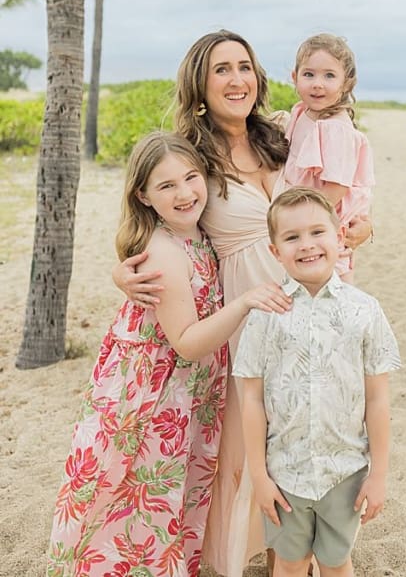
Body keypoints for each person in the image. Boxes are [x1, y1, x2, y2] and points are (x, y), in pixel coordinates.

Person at [113, 30, 373, 577]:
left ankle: (310, 544)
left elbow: (336, 204)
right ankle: (257, 553)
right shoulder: (191, 154)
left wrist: (361, 228)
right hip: (248, 303)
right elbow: (154, 214)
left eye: (244, 67)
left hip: (312, 292)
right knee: (256, 434)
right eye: (221, 70)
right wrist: (123, 269)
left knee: (312, 420)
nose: (237, 80)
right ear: (200, 86)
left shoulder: (284, 129)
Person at [47, 132, 289, 577]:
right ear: (143, 194)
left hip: (182, 395)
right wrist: (244, 302)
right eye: (166, 186)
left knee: (167, 498)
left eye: (191, 178)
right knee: (138, 503)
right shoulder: (164, 252)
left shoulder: (196, 232)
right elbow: (187, 342)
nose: (184, 193)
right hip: (155, 399)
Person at [235, 188, 400, 577]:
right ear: (275, 251)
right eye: (292, 237)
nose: (306, 245)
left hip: (345, 471)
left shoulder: (364, 310)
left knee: (335, 560)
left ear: (339, 238)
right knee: (290, 562)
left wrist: (377, 475)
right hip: (284, 472)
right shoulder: (265, 314)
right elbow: (252, 401)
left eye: (317, 232)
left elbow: (377, 400)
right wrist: (260, 477)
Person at [282, 34, 374, 283]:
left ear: (347, 83)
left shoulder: (336, 128)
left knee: (329, 281)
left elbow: (336, 188)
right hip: (304, 216)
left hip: (322, 218)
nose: (317, 84)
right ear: (294, 77)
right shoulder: (301, 112)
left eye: (329, 76)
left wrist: (300, 218)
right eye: (309, 74)